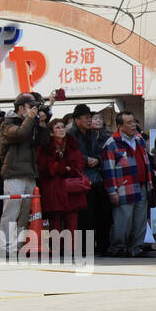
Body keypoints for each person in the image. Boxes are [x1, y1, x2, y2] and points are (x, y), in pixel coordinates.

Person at [101, 110, 152, 258]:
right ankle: (118, 248)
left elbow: (146, 161)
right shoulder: (111, 143)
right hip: (124, 186)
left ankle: (136, 248)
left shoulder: (139, 139)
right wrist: (112, 191)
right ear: (119, 126)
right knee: (123, 220)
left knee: (140, 220)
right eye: (129, 123)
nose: (133, 125)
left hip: (142, 185)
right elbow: (108, 169)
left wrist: (150, 182)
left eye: (134, 121)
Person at [0, 93, 43, 251]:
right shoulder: (7, 123)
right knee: (11, 211)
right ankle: (5, 245)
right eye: (31, 106)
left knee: (25, 212)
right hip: (14, 172)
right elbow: (20, 134)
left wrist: (42, 121)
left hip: (30, 173)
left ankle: (18, 244)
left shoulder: (32, 122)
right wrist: (30, 118)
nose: (33, 110)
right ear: (21, 107)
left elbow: (44, 141)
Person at [36, 118, 87, 241]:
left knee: (72, 219)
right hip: (53, 188)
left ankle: (71, 248)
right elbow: (45, 167)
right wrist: (64, 168)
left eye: (63, 127)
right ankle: (56, 248)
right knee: (55, 220)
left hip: (71, 188)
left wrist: (67, 168)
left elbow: (79, 163)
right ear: (51, 132)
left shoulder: (72, 143)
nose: (61, 130)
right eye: (57, 127)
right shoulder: (45, 147)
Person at [68, 106, 110, 255]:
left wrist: (97, 160)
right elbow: (70, 156)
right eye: (86, 117)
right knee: (85, 217)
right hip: (80, 180)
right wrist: (86, 160)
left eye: (90, 117)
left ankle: (102, 247)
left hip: (97, 178)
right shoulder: (70, 135)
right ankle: (85, 248)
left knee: (101, 214)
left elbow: (102, 153)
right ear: (77, 120)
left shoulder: (94, 134)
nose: (89, 120)